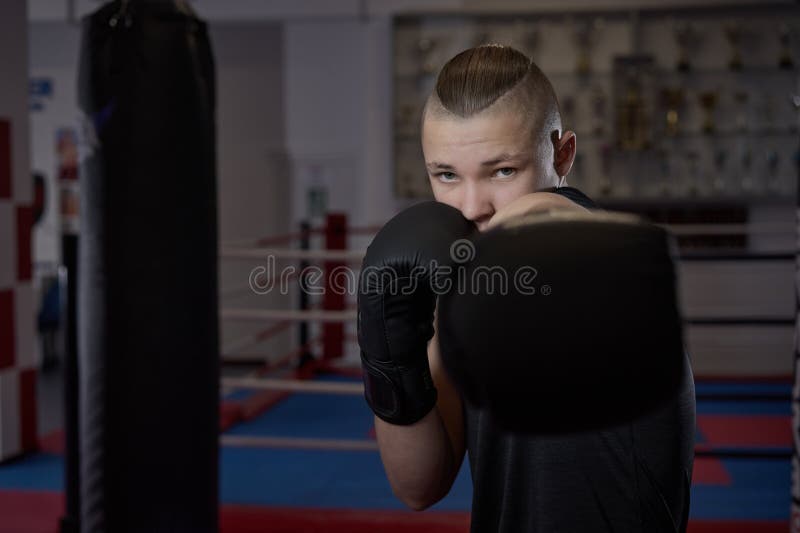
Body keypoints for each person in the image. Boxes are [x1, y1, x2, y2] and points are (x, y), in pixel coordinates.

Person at [358, 44, 696, 532]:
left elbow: (542, 217)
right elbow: (417, 487)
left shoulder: (596, 258)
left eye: (503, 171)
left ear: (562, 155)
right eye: (447, 175)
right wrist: (387, 354)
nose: (473, 206)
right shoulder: (472, 289)